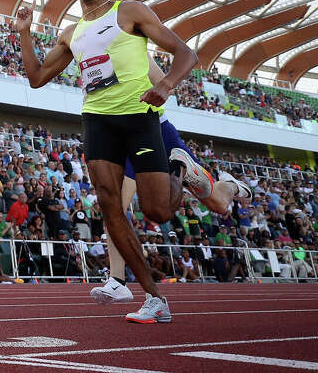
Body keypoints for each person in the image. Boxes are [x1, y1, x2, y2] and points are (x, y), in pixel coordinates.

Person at [16, 0, 197, 324]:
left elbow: (185, 53)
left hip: (138, 116)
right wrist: (24, 33)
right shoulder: (71, 33)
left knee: (158, 212)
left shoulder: (128, 11)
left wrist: (165, 85)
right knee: (110, 208)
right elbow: (36, 77)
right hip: (97, 121)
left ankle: (180, 168)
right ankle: (154, 297)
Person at [89, 58, 253, 305]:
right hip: (123, 138)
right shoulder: (88, 49)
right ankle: (117, 281)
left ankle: (232, 185)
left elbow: (164, 83)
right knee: (114, 207)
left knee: (218, 204)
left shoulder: (133, 46)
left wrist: (136, 89)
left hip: (156, 131)